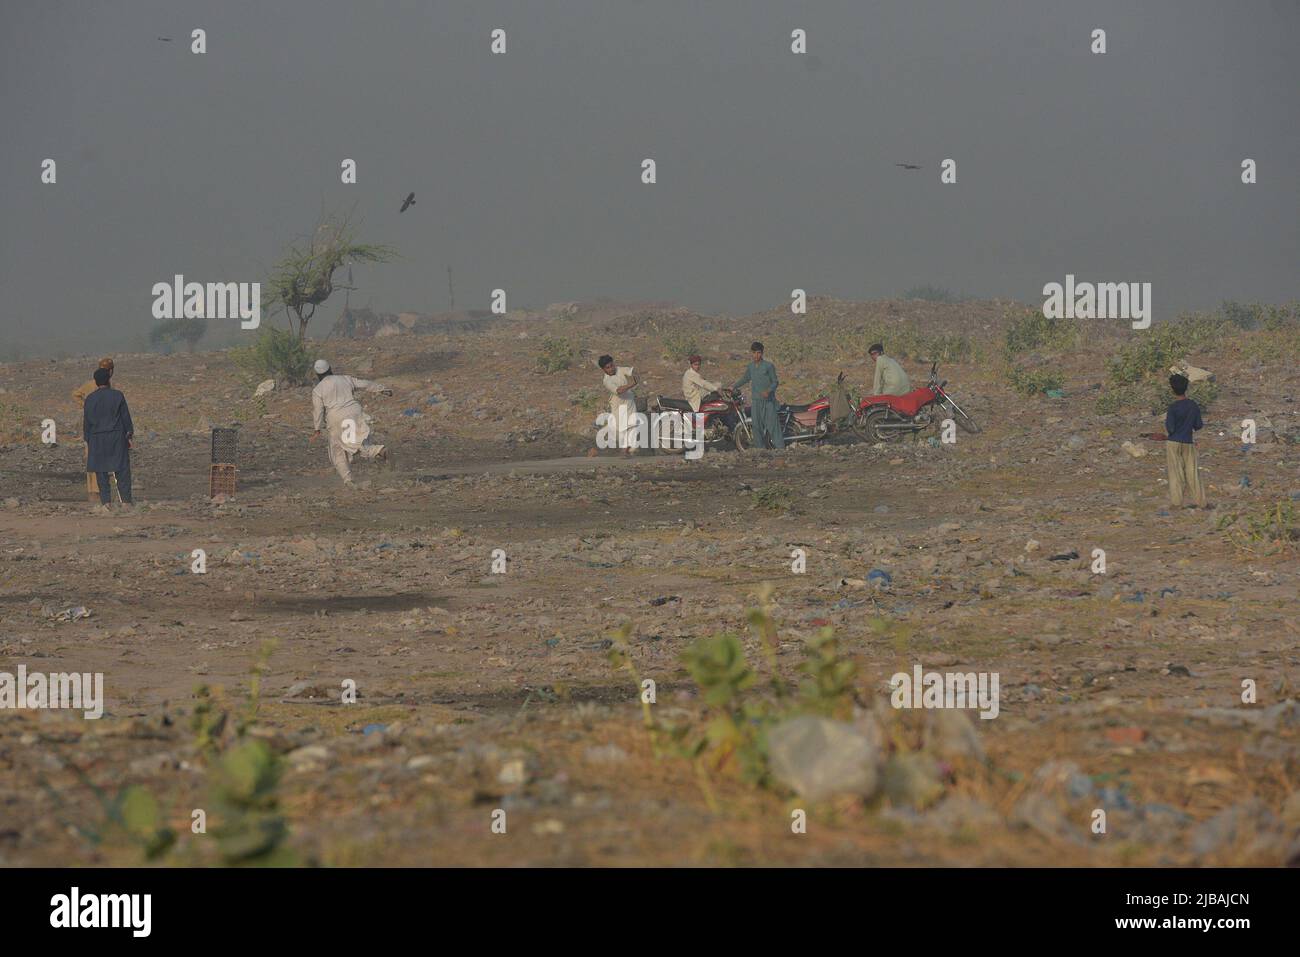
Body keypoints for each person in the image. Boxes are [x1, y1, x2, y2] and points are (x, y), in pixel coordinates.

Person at [311, 359, 392, 484]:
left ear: (317, 375)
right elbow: (364, 384)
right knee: (354, 442)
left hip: (337, 418)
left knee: (339, 450)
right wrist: (381, 389)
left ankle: (376, 453)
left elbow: (318, 410)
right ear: (330, 369)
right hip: (354, 412)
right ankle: (376, 454)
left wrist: (317, 429)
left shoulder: (318, 390)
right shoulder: (345, 378)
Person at [83, 367, 133, 513]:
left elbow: (86, 423)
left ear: (96, 382)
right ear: (109, 380)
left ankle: (106, 503)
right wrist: (129, 435)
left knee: (101, 471)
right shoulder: (118, 396)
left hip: (97, 437)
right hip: (116, 436)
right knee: (122, 469)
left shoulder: (90, 399)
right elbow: (125, 418)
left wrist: (87, 440)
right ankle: (126, 502)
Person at [72, 358, 117, 502]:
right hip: (100, 427)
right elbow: (75, 395)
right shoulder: (100, 386)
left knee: (94, 458)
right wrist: (85, 406)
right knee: (97, 458)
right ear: (110, 371)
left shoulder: (101, 385)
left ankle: (96, 491)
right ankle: (95, 491)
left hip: (96, 427)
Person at [1165, 373, 1207, 509]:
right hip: (1188, 442)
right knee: (1193, 472)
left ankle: (1177, 503)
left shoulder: (1173, 408)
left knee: (1176, 473)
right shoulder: (1193, 405)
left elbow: (1170, 428)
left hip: (1173, 442)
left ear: (1172, 389)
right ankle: (1201, 502)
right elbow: (1198, 425)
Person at [734, 341, 783, 450]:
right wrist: (734, 386)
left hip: (768, 401)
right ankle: (760, 451)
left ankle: (781, 450)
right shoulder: (751, 367)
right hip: (755, 402)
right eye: (754, 353)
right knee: (756, 428)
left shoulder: (768, 366)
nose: (756, 355)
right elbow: (745, 378)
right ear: (751, 353)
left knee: (773, 426)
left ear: (762, 353)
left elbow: (775, 382)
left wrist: (768, 390)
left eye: (759, 353)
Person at [599, 355, 639, 455]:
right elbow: (619, 390)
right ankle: (623, 451)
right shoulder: (606, 381)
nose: (611, 369)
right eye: (607, 367)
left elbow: (631, 371)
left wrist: (635, 374)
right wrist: (632, 384)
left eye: (611, 365)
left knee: (632, 426)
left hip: (629, 402)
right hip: (618, 406)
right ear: (603, 369)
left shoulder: (619, 369)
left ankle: (626, 451)